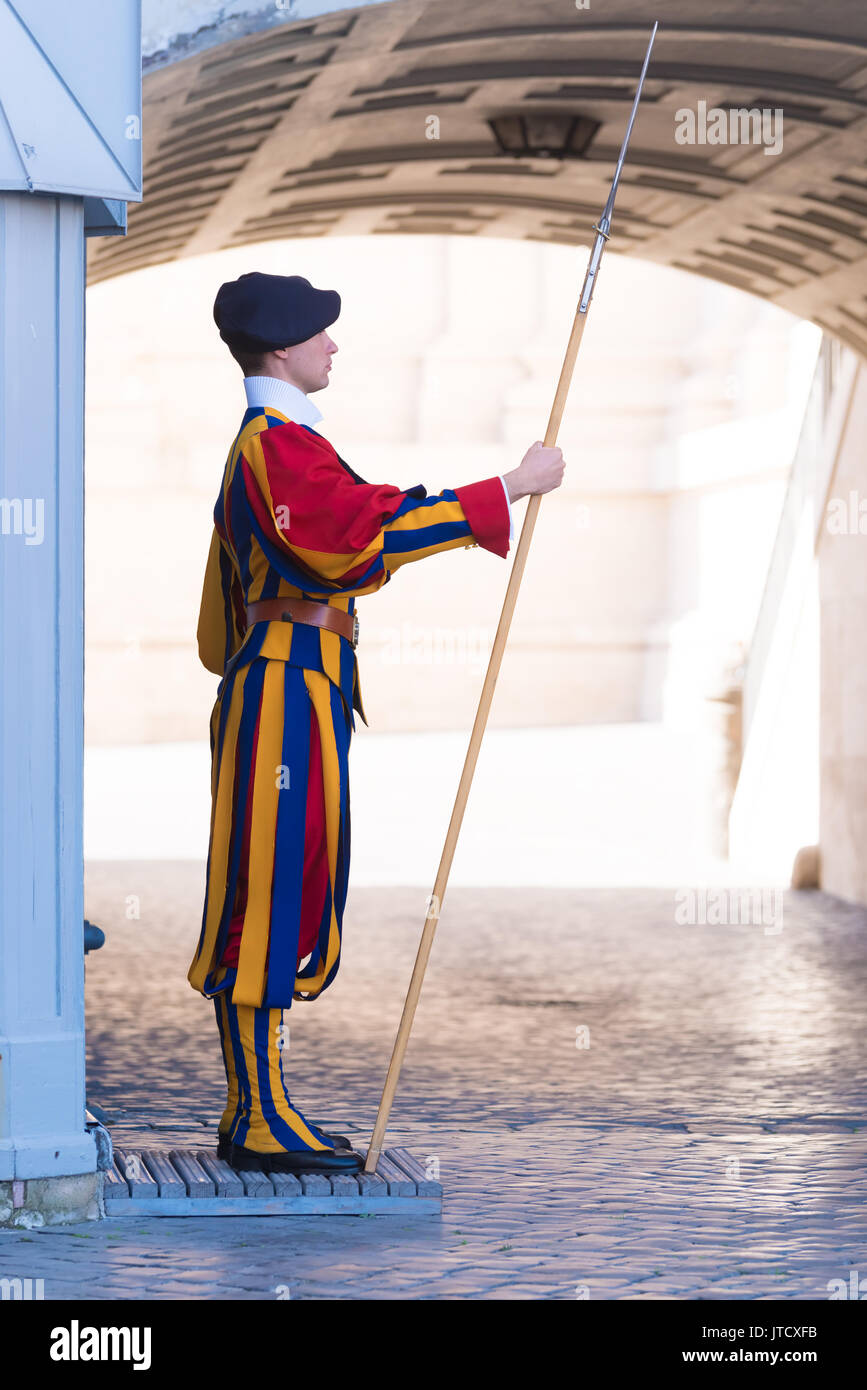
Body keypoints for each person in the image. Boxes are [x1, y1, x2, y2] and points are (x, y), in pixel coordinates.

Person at [187, 271, 566, 1173]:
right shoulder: (275, 446)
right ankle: (257, 1119)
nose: (333, 345)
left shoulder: (278, 446)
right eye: (319, 332)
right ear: (280, 348)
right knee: (268, 891)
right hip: (285, 682)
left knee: (285, 882)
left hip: (294, 676)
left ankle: (259, 1107)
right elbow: (359, 531)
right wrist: (504, 488)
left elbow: (299, 570)